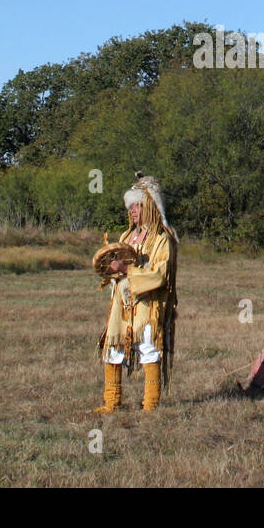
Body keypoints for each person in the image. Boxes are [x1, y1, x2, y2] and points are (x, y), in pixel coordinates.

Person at [94, 173, 177, 412]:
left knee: (148, 348)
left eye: (137, 206)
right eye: (130, 207)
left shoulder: (161, 240)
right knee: (113, 347)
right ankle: (111, 402)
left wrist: (128, 270)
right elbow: (115, 269)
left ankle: (150, 404)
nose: (132, 211)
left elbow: (159, 276)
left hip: (147, 305)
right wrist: (111, 271)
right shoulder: (125, 237)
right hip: (122, 303)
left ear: (149, 207)